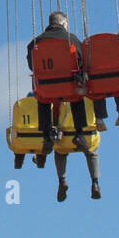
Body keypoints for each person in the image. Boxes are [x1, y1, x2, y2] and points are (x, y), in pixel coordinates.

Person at [26, 10, 88, 151]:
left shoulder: (35, 43)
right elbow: (82, 61)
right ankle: (79, 134)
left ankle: (46, 135)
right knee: (77, 99)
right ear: (64, 23)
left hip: (46, 87)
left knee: (43, 100)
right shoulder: (71, 39)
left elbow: (32, 66)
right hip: (69, 86)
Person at [92, 31, 119, 131]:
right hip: (116, 81)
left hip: (100, 82)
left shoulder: (101, 52)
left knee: (96, 92)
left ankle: (99, 118)